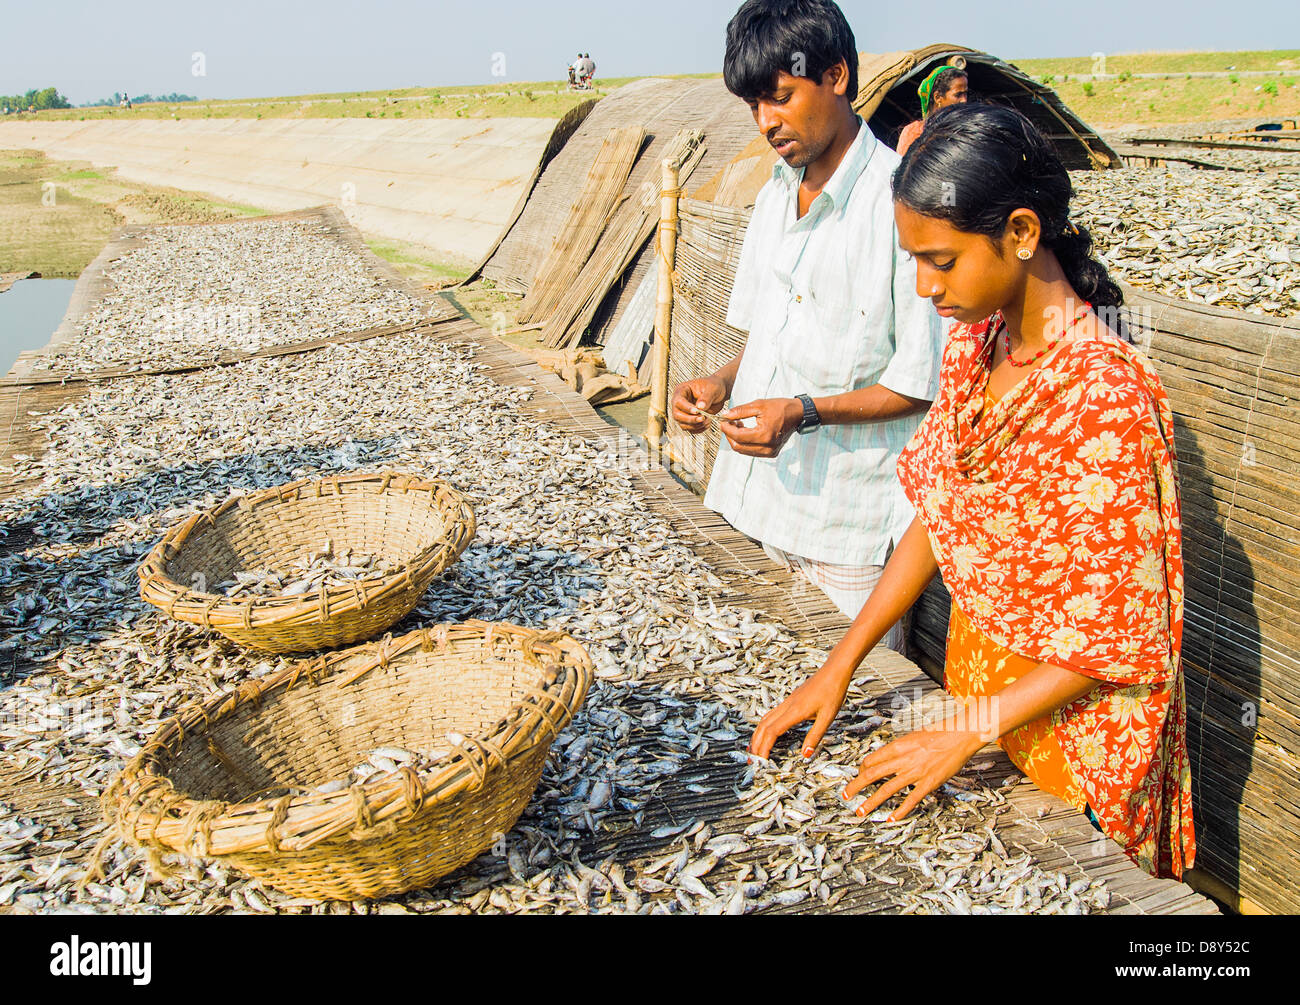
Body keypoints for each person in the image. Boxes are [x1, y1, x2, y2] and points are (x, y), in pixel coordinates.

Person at [750, 103, 1195, 880]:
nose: (923, 286)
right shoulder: (977, 344)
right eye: (912, 260)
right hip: (984, 706)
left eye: (941, 260)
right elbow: (941, 512)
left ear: (1022, 233)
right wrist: (841, 662)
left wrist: (964, 730)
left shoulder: (1106, 397)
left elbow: (1122, 633)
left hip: (1074, 741)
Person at [671, 0, 944, 652]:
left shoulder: (901, 205)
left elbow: (920, 384)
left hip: (844, 534)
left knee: (854, 713)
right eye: (753, 106)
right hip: (753, 505)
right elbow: (770, 338)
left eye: (781, 97)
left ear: (838, 76)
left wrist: (801, 412)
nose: (767, 121)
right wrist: (717, 382)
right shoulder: (772, 196)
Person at [895, 66, 967, 156]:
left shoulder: (965, 127)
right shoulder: (914, 132)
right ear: (937, 97)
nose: (964, 100)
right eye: (958, 94)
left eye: (965, 93)